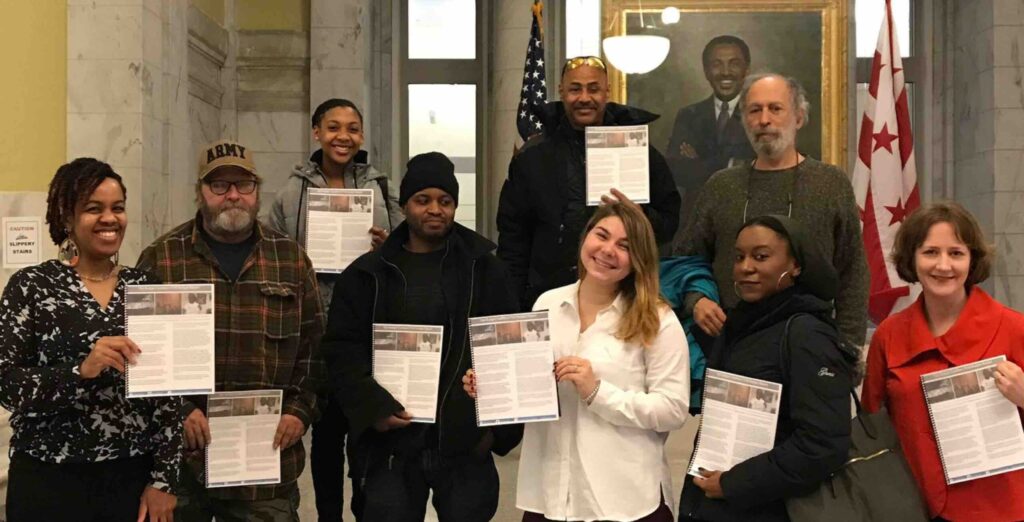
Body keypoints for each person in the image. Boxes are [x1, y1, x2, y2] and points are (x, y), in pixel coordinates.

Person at [324, 152, 523, 521]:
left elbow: (509, 346)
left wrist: (495, 434)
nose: (435, 209)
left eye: (445, 201)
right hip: (390, 446)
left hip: (465, 442)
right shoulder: (368, 273)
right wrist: (373, 407)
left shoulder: (486, 269)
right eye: (423, 200)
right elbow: (342, 348)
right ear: (405, 205)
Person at [137, 139, 325, 521]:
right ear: (200, 192)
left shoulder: (290, 259)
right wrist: (179, 410)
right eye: (219, 186)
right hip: (181, 465)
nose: (233, 196)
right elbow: (139, 356)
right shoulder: (162, 259)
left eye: (244, 186)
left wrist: (298, 411)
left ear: (257, 192)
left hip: (264, 470)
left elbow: (315, 349)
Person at [467, 201, 690, 521]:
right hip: (550, 494)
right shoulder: (548, 303)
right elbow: (532, 391)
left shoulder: (657, 319)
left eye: (624, 246)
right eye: (602, 235)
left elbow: (672, 410)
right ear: (586, 237)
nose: (608, 250)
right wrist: (493, 386)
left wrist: (598, 392)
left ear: (639, 259)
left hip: (621, 499)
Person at [0, 158, 181, 522]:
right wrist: (80, 371)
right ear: (67, 217)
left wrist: (165, 479)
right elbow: (6, 385)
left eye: (118, 208)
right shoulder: (31, 286)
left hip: (130, 478)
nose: (110, 218)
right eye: (93, 209)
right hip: (47, 478)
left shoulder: (145, 288)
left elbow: (169, 395)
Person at [268, 97, 403, 522]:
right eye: (333, 127)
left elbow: (406, 245)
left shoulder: (379, 187)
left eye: (352, 128)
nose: (343, 137)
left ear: (361, 135)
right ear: (316, 133)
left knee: (365, 441)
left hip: (367, 332)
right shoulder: (293, 192)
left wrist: (388, 248)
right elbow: (273, 250)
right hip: (319, 332)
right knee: (326, 443)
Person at [679, 215, 854, 521]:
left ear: (796, 266)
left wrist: (735, 484)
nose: (746, 267)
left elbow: (822, 444)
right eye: (739, 257)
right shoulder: (736, 326)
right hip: (711, 504)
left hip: (771, 509)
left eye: (761, 256)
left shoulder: (807, 335)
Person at [676, 73, 869, 348]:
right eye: (755, 110)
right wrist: (696, 300)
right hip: (731, 346)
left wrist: (848, 349)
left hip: (808, 347)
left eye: (775, 109)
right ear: (744, 121)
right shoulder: (721, 186)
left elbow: (853, 272)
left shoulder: (830, 183)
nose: (764, 119)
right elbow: (686, 258)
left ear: (799, 118)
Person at [862, 201, 1024, 521]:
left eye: (956, 253)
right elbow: (872, 426)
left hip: (997, 507)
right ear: (912, 258)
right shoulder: (889, 335)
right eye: (931, 252)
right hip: (911, 505)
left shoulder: (1014, 328)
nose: (943, 265)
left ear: (972, 260)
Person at [497, 55, 682, 311]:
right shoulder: (532, 157)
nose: (584, 98)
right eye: (575, 89)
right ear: (561, 92)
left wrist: (642, 217)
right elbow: (513, 240)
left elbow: (670, 222)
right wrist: (513, 307)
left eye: (593, 89)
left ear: (607, 91)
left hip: (623, 297)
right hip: (548, 299)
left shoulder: (639, 152)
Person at [665, 35, 756, 236]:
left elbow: (758, 173)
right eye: (717, 64)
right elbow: (676, 171)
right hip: (696, 227)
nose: (725, 72)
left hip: (748, 224)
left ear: (746, 70)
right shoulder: (688, 116)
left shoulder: (758, 114)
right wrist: (731, 163)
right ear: (706, 71)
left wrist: (699, 162)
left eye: (734, 64)